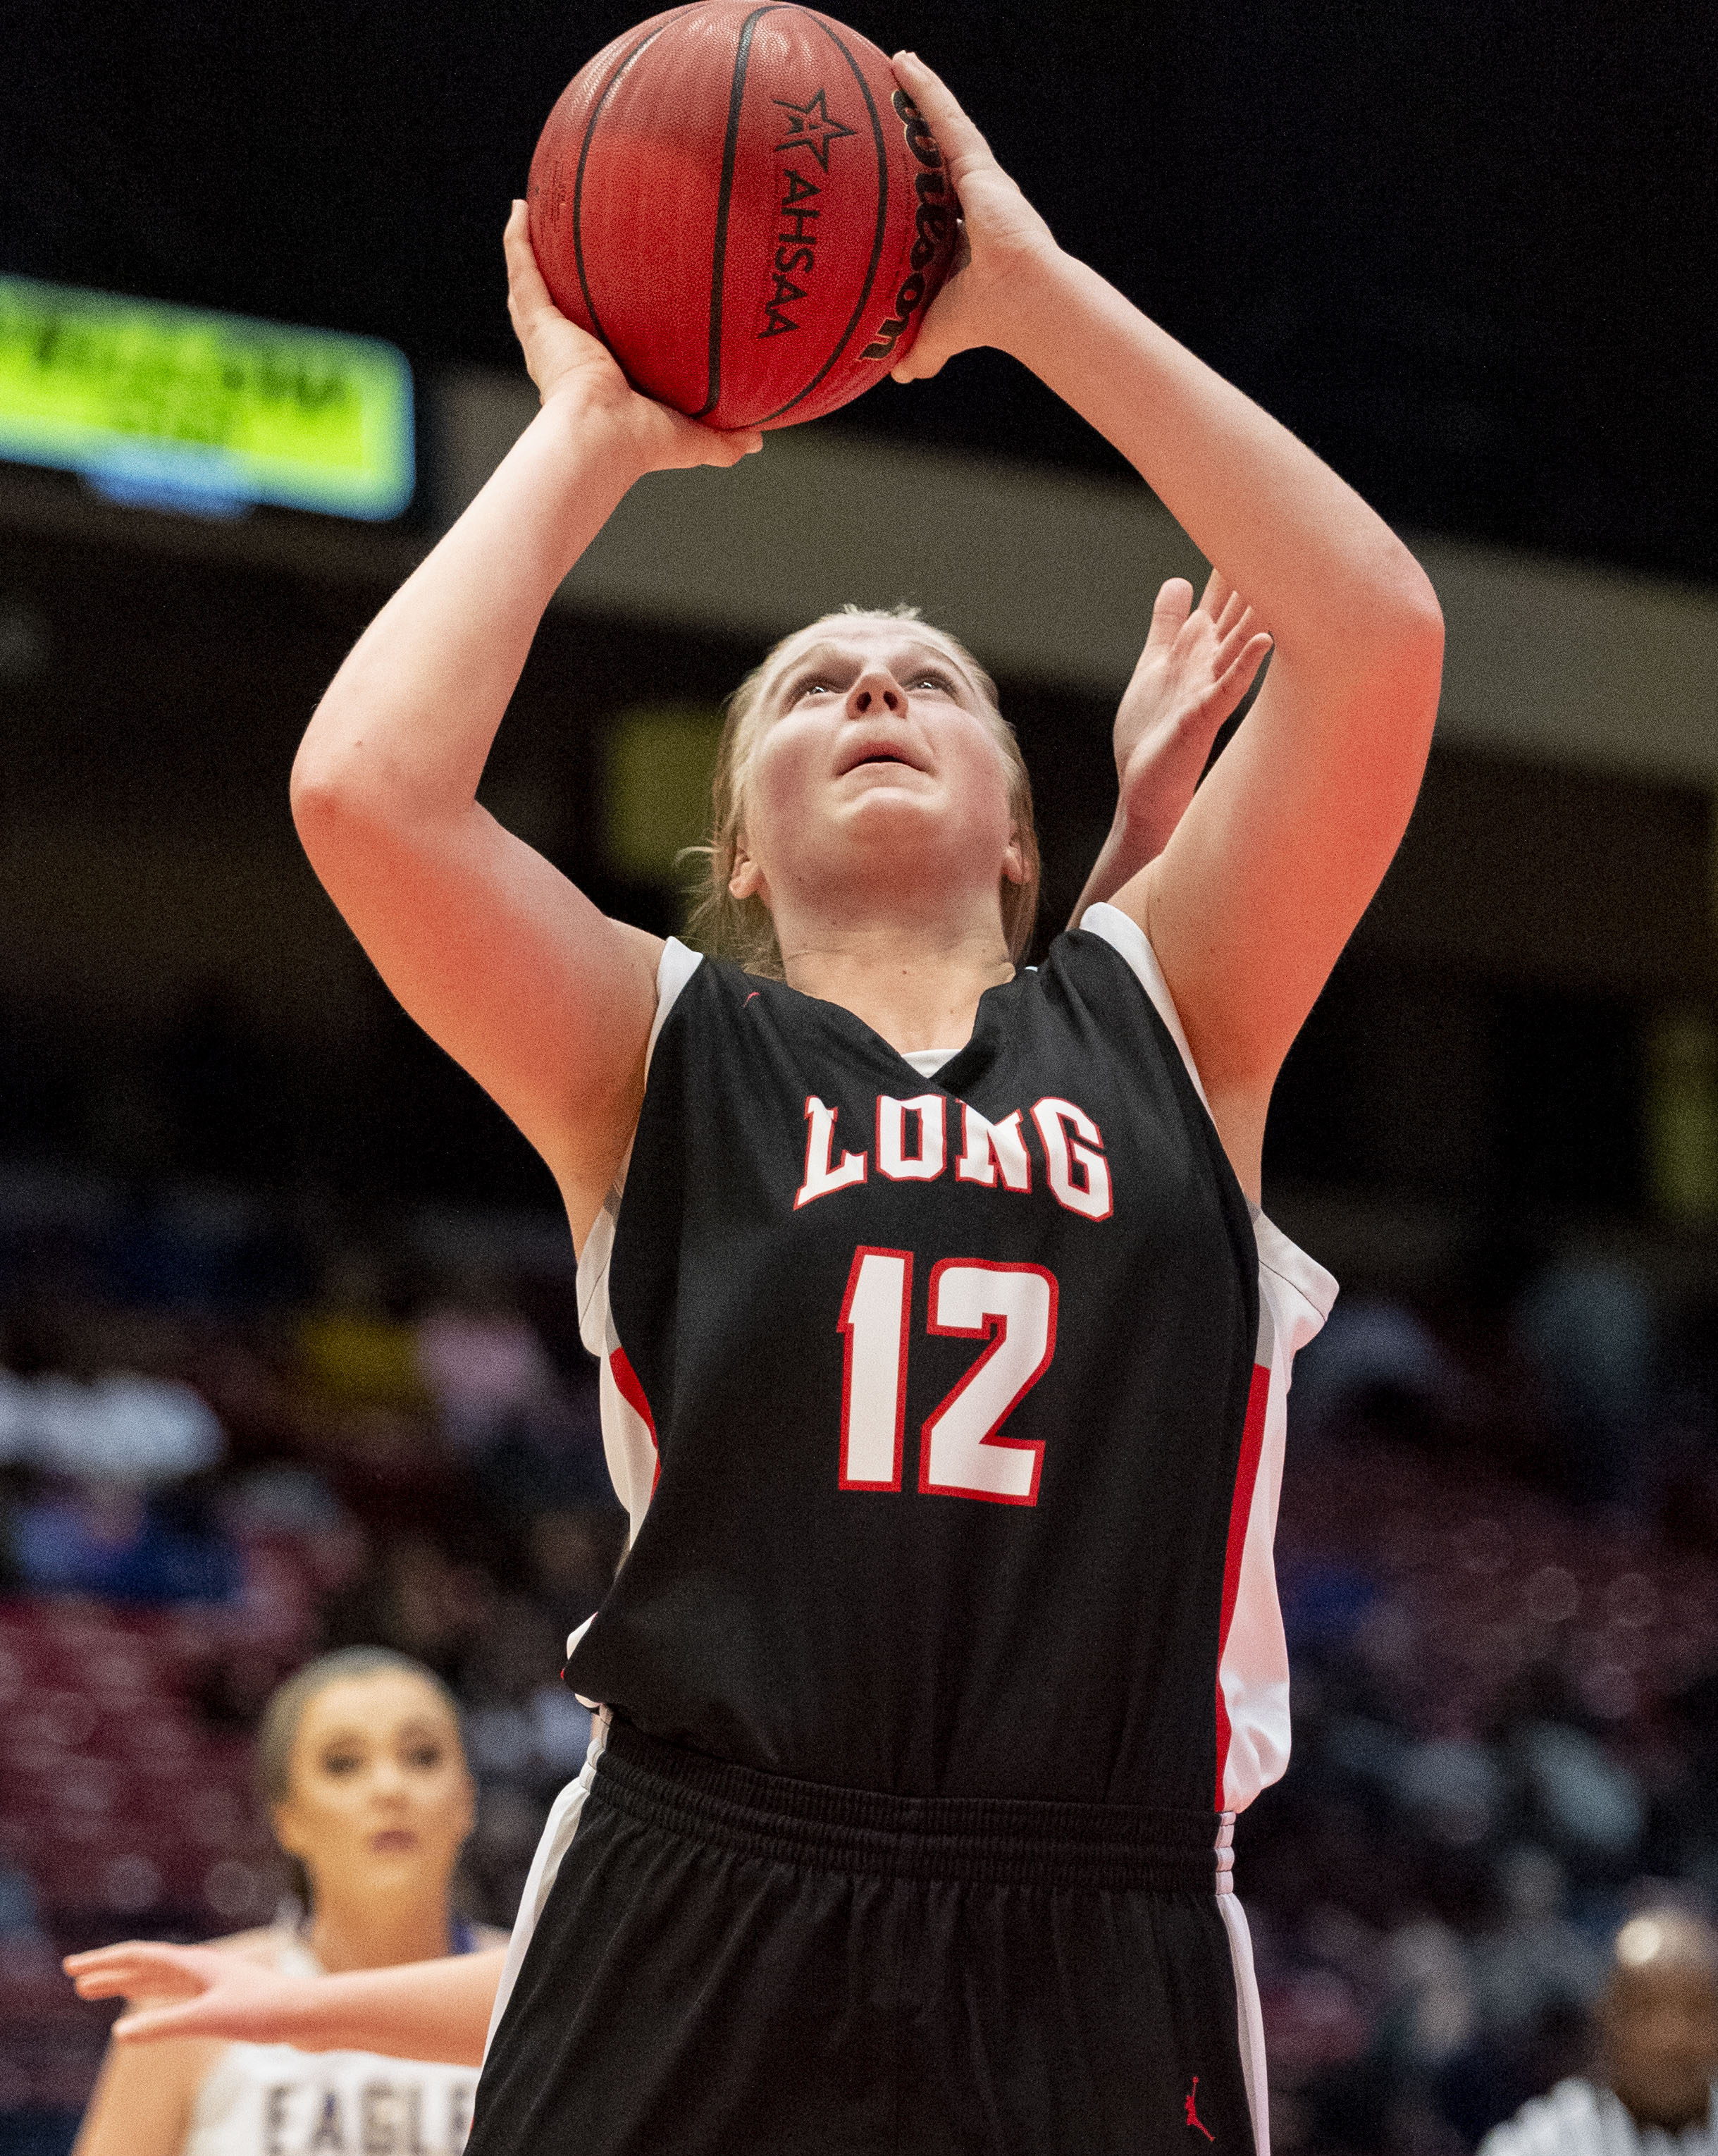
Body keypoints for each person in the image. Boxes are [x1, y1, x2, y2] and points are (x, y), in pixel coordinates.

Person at [66, 46, 1443, 2156]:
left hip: (1091, 1916)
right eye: (812, 682)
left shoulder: (1179, 1019)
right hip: (697, 1882)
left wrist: (1025, 295)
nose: (873, 687)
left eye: (927, 682)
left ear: (1014, 826)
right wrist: (588, 435)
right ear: (736, 830)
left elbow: (1371, 631)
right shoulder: (659, 1044)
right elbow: (361, 792)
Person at [68, 1649, 505, 2156]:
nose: (390, 1787)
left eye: (422, 1756)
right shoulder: (187, 2001)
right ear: (287, 1817)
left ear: (467, 1798)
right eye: (344, 1764)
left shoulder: (549, 1992)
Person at [1476, 1912, 1718, 2155]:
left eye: (1698, 2010)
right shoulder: (1538, 2143)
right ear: (1606, 2017)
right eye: (1645, 2009)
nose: (1671, 2038)